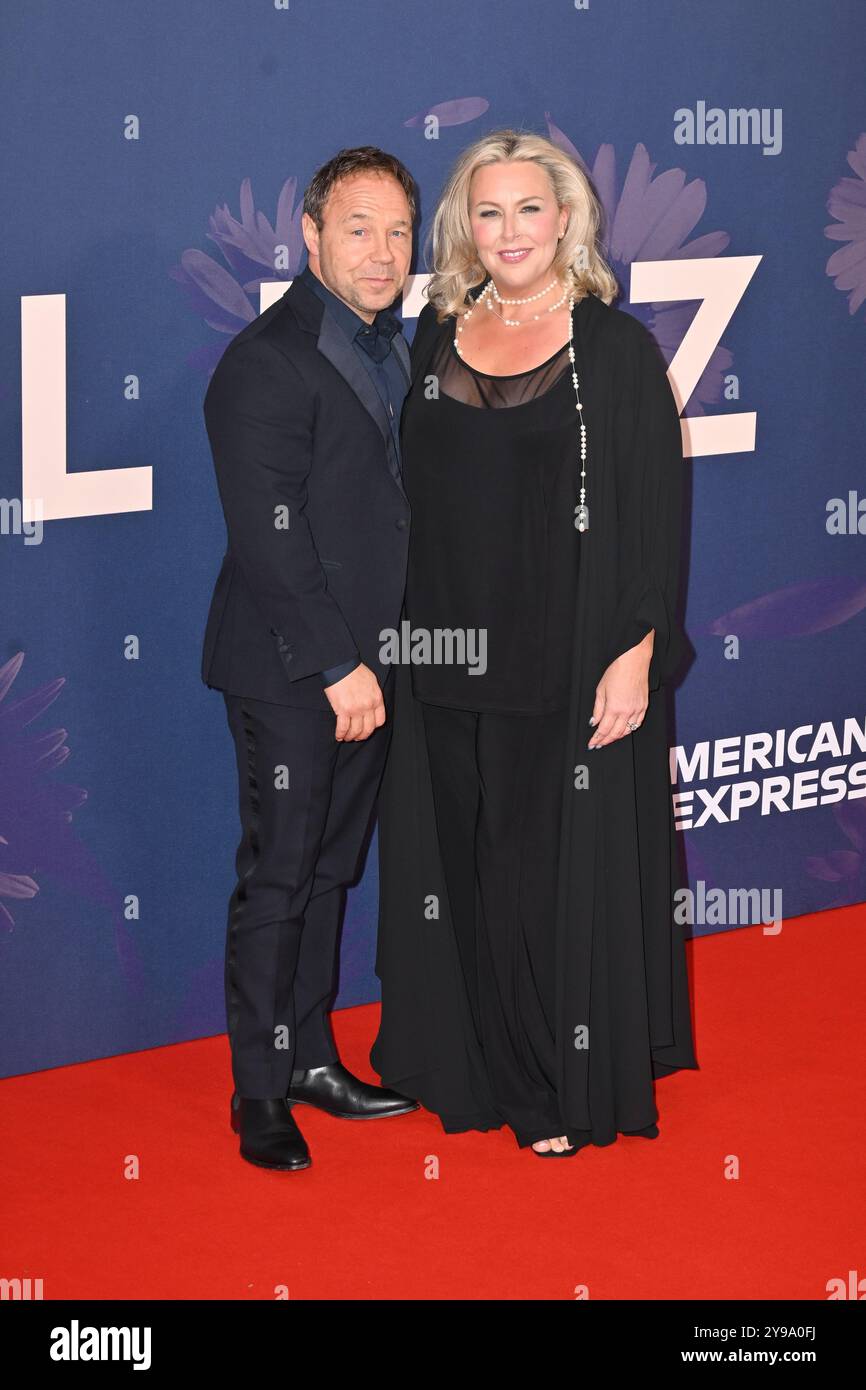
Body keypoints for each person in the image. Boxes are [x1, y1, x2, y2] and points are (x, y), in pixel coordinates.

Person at [371, 129, 699, 1158]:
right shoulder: (436, 330)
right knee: (456, 865)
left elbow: (652, 514)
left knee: (537, 867)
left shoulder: (611, 350)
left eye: (527, 209)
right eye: (487, 210)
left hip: (559, 658)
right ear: (463, 226)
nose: (508, 230)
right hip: (438, 653)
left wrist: (635, 649)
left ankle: (551, 1080)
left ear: (565, 219)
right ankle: (466, 1058)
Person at [202, 147, 420, 1171]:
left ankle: (310, 1057)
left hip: (374, 665)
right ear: (311, 235)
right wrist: (338, 666)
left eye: (396, 231)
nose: (381, 254)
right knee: (281, 875)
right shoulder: (264, 360)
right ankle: (257, 1092)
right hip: (296, 671)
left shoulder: (395, 345)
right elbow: (268, 536)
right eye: (358, 229)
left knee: (334, 868)